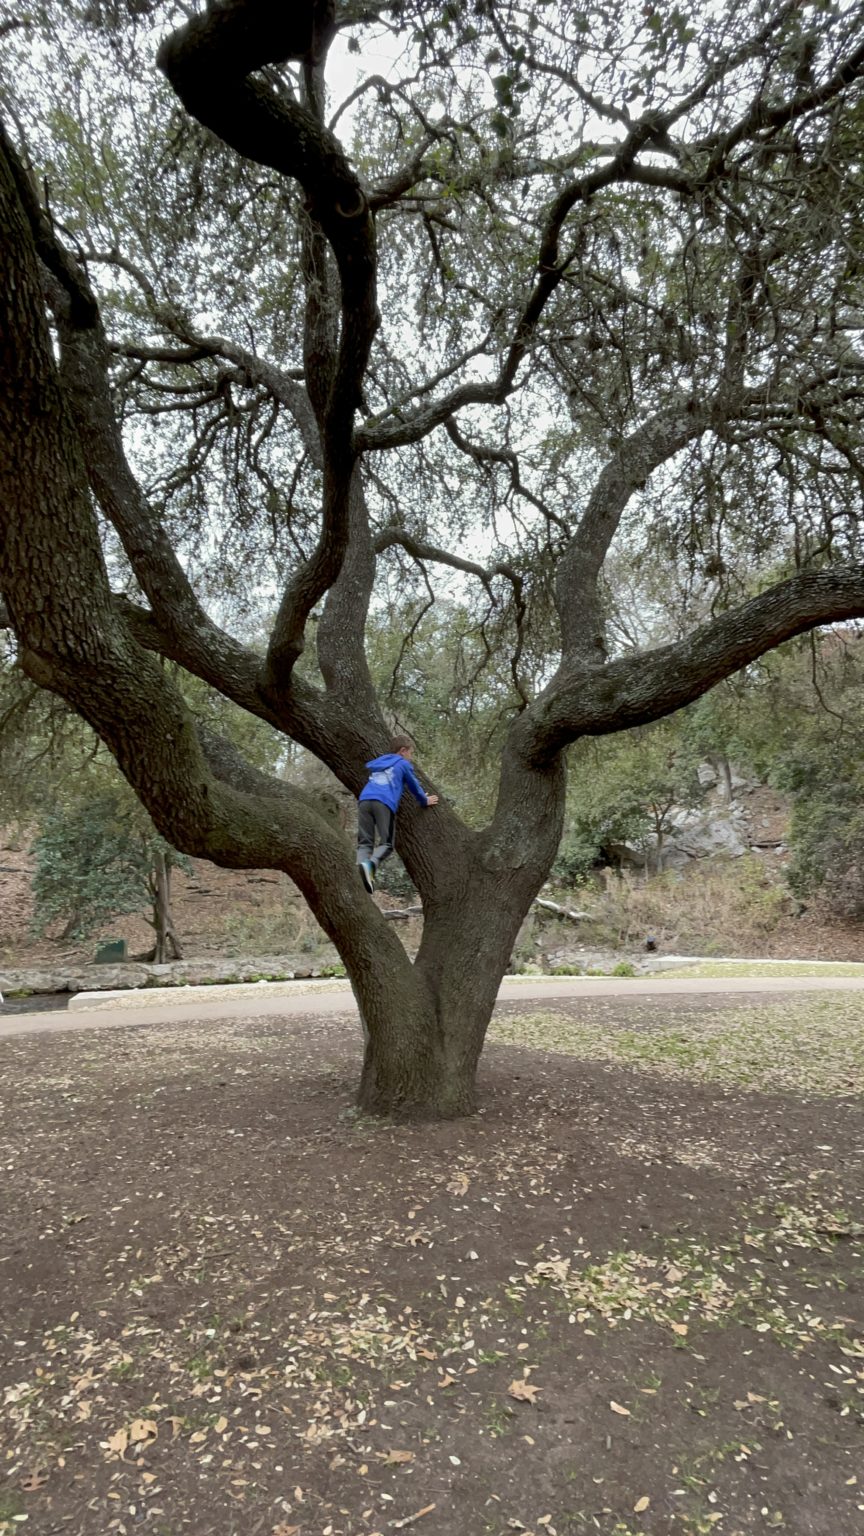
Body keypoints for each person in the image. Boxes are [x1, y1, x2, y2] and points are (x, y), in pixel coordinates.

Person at [356, 734, 438, 892]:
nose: (410, 757)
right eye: (410, 753)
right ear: (403, 751)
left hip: (364, 801)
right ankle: (371, 864)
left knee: (365, 842)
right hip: (383, 803)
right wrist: (424, 800)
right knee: (386, 844)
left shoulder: (380, 763)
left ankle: (363, 869)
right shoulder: (402, 764)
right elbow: (414, 785)